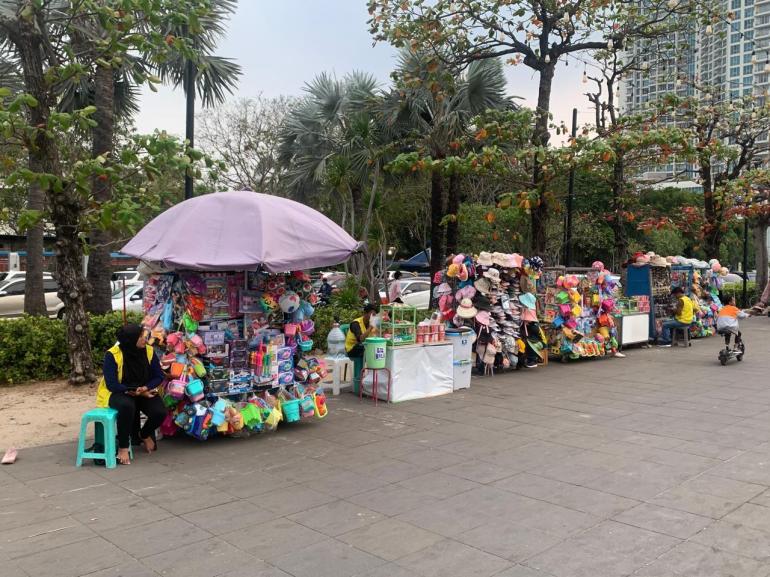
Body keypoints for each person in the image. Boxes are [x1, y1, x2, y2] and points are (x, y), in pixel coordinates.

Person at [95, 323, 167, 465]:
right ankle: (123, 447)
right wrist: (133, 391)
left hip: (142, 390)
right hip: (118, 391)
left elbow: (159, 376)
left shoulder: (148, 351)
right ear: (131, 340)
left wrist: (145, 388)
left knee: (160, 412)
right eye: (141, 337)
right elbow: (112, 384)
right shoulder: (112, 355)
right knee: (127, 406)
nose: (144, 339)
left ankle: (144, 434)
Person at [345, 303, 380, 392]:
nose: (373, 316)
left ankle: (371, 381)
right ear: (365, 313)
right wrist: (371, 327)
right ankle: (360, 383)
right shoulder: (355, 323)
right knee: (370, 352)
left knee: (376, 350)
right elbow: (360, 339)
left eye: (374, 315)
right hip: (352, 349)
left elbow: (377, 335)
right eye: (371, 314)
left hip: (364, 348)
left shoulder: (371, 323)